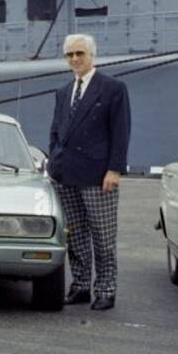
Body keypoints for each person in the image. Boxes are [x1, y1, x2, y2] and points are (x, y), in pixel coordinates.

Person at [46, 33, 131, 311]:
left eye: (79, 53)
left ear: (92, 56)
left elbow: (120, 132)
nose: (74, 59)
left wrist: (115, 169)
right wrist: (53, 163)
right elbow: (56, 131)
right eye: (69, 55)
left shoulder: (112, 88)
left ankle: (106, 290)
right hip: (65, 174)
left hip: (98, 176)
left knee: (103, 237)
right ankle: (81, 286)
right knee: (75, 235)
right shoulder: (62, 91)